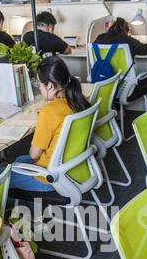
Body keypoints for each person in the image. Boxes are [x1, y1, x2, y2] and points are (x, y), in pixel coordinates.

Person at [8, 56, 88, 193]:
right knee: (19, 160)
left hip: (51, 177)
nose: (39, 88)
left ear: (50, 86)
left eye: (39, 85)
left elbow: (34, 155)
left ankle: (22, 208)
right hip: (75, 167)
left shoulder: (49, 112)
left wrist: (46, 116)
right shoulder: (79, 100)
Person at [91, 16, 147, 108]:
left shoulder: (99, 39)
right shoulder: (127, 40)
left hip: (103, 87)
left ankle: (117, 112)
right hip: (125, 90)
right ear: (125, 31)